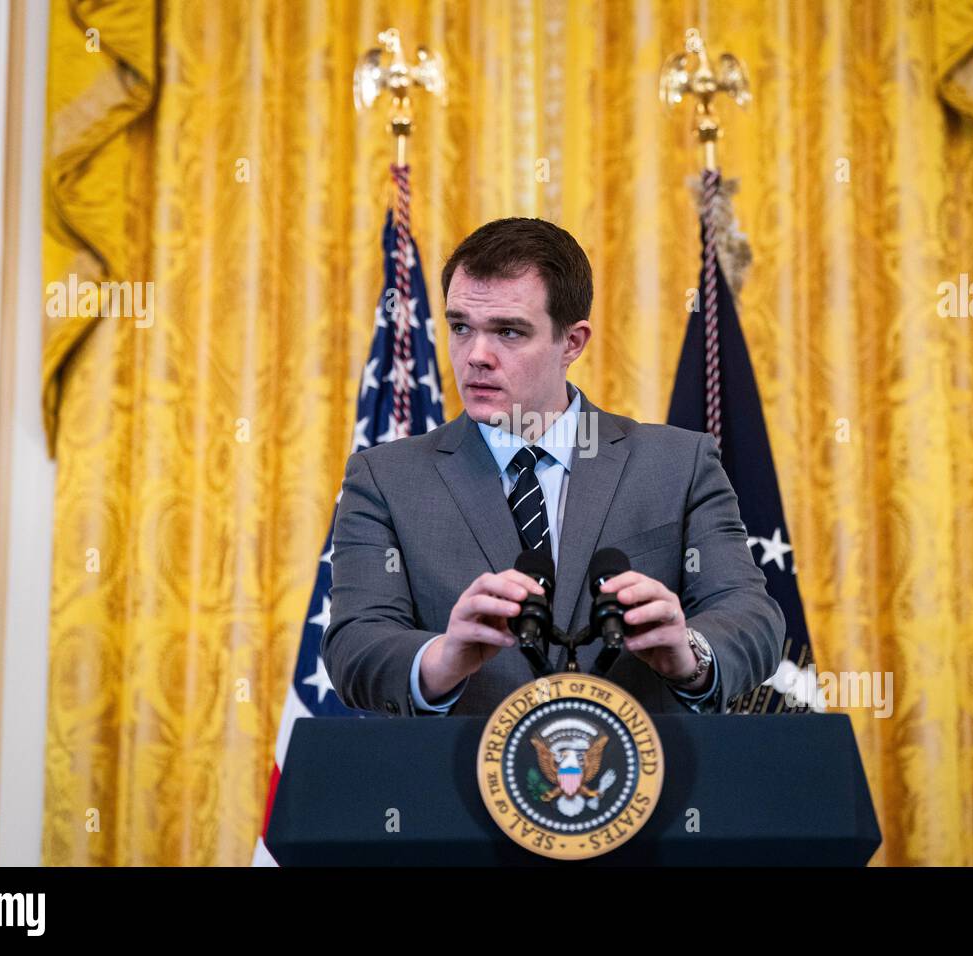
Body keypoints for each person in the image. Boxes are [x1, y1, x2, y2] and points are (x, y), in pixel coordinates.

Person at [322, 217, 784, 716]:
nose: (476, 356)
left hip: (643, 780)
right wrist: (442, 658)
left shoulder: (679, 464)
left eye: (508, 331)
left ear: (573, 342)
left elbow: (753, 619)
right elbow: (355, 645)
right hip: (458, 781)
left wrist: (687, 653)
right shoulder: (385, 480)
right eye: (460, 327)